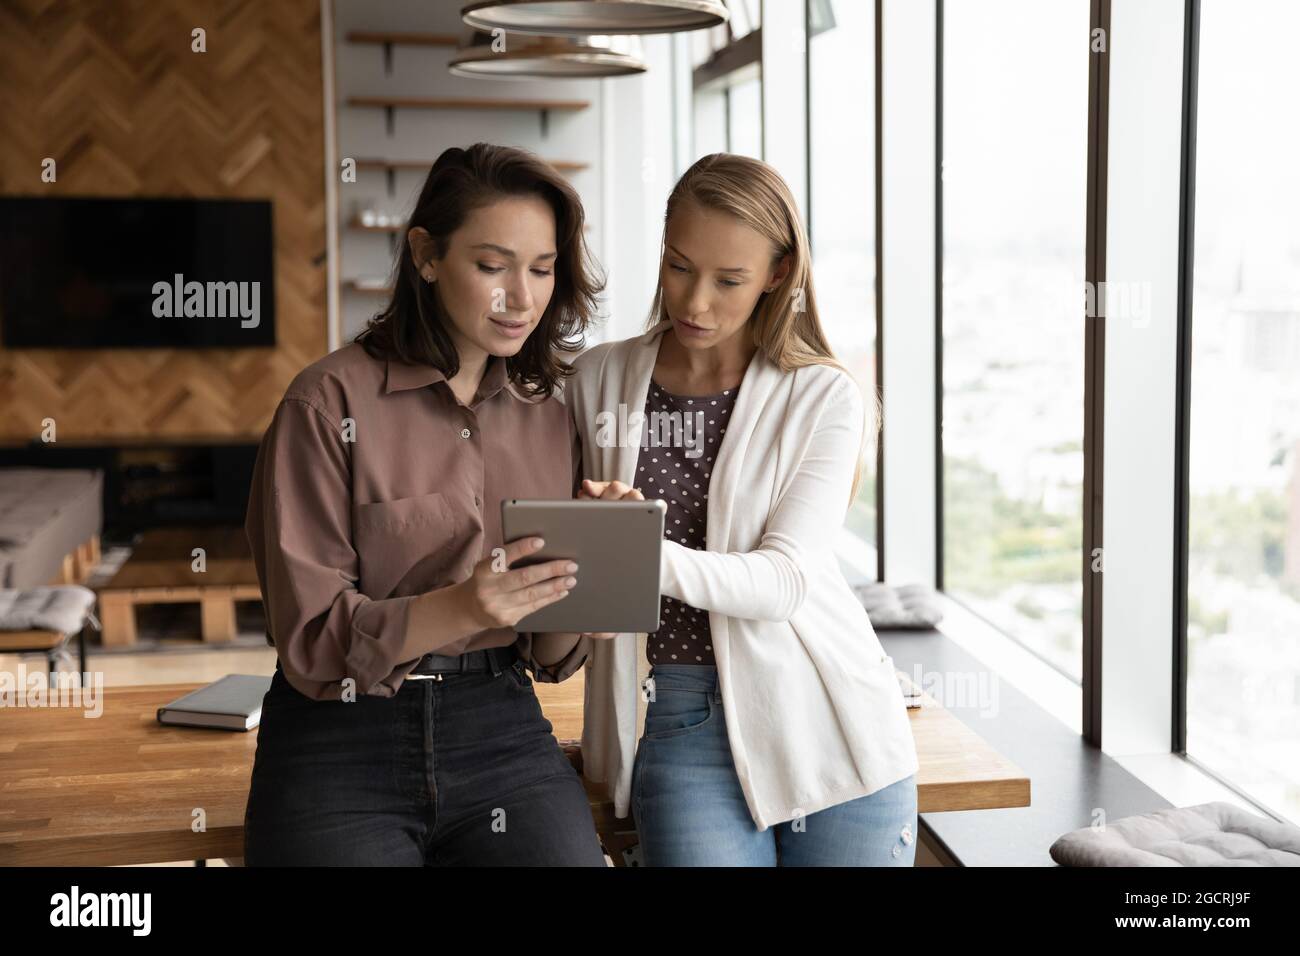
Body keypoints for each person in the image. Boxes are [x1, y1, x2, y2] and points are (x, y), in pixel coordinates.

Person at [242, 143, 608, 866]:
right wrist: (466, 607)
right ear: (427, 256)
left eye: (542, 268)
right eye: (492, 265)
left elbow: (550, 654)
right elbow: (312, 641)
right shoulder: (325, 405)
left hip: (500, 726)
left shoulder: (552, 413)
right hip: (338, 735)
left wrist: (595, 572)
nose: (522, 297)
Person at [568, 152, 920, 866]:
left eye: (730, 280)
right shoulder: (597, 378)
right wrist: (593, 539)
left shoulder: (823, 396)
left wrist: (634, 548)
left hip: (832, 718)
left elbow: (784, 581)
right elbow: (566, 546)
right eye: (678, 267)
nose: (696, 302)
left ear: (779, 273)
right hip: (677, 717)